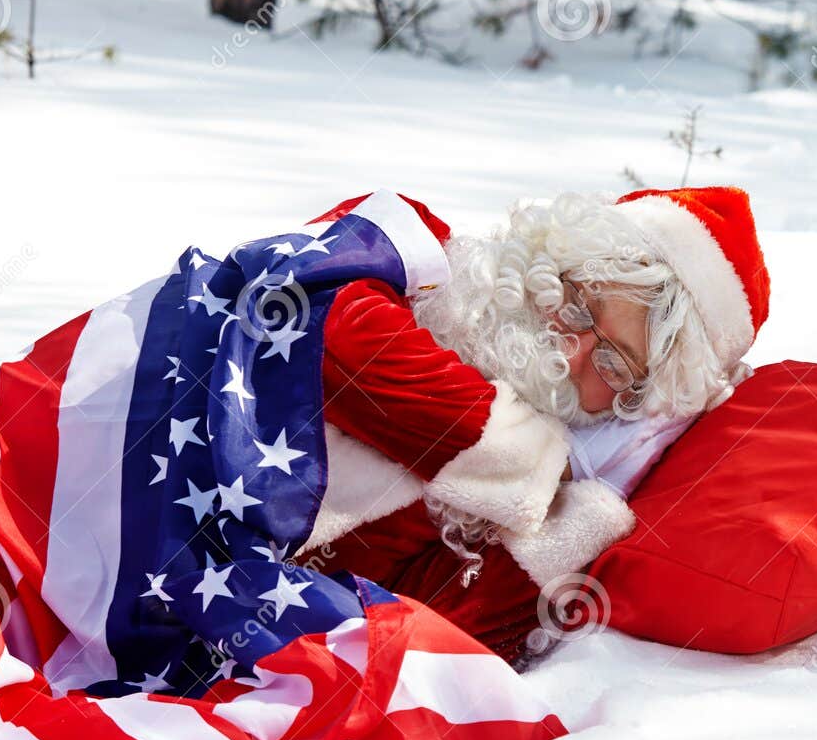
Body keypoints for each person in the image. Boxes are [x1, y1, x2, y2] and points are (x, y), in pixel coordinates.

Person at [296, 186, 773, 660]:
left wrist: (568, 533)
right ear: (549, 254)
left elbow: (417, 646)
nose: (573, 348)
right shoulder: (409, 239)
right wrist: (529, 461)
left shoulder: (480, 522)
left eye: (614, 363)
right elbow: (321, 323)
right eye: (581, 305)